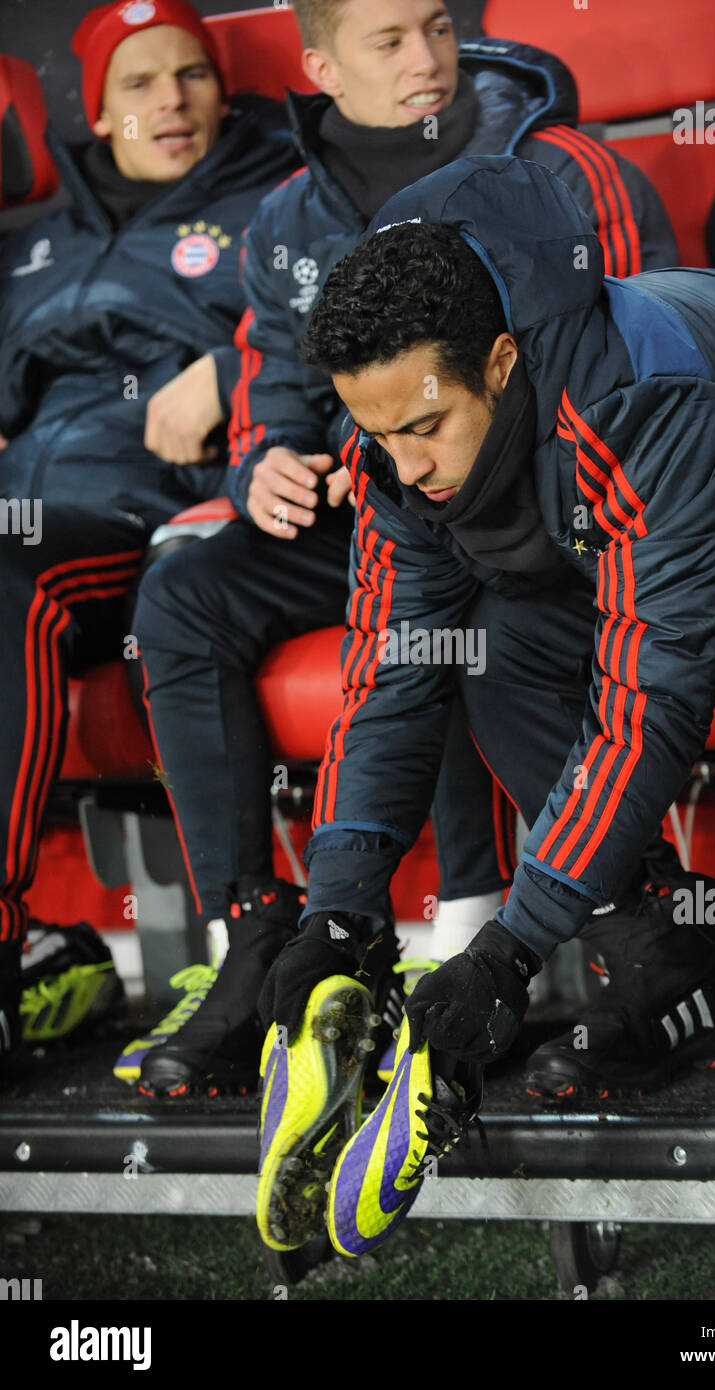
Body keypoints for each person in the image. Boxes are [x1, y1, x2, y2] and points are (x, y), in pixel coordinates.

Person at [255, 153, 715, 1257]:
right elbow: (392, 667)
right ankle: (666, 960)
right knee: (489, 645)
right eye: (377, 435)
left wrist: (507, 951)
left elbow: (652, 702)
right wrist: (337, 909)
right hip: (683, 511)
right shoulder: (404, 428)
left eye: (425, 428)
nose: (401, 464)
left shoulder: (643, 398)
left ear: (501, 361)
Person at [130, 0, 682, 1100]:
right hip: (356, 509)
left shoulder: (565, 168)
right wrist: (267, 467)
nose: (426, 60)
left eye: (435, 25)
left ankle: (512, 930)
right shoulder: (286, 216)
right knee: (182, 597)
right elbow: (268, 401)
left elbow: (640, 360)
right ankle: (256, 937)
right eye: (388, 41)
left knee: (454, 605)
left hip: (533, 497)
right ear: (320, 64)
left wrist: (430, 449)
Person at [0, 0, 300, 1074]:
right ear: (94, 105)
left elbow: (336, 317)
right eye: (139, 83)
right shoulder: (38, 239)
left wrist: (230, 370)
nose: (171, 101)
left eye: (192, 76)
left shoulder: (279, 195)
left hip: (140, 510)